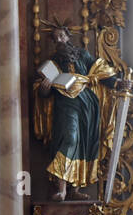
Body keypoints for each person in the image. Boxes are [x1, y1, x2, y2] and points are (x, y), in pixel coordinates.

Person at [33, 21, 119, 201]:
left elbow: (100, 71)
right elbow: (42, 93)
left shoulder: (82, 55)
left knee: (84, 144)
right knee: (70, 139)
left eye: (62, 36)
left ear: (68, 36)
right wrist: (44, 88)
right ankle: (61, 189)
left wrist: (118, 83)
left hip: (88, 106)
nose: (60, 41)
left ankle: (75, 189)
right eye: (56, 39)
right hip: (65, 106)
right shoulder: (53, 63)